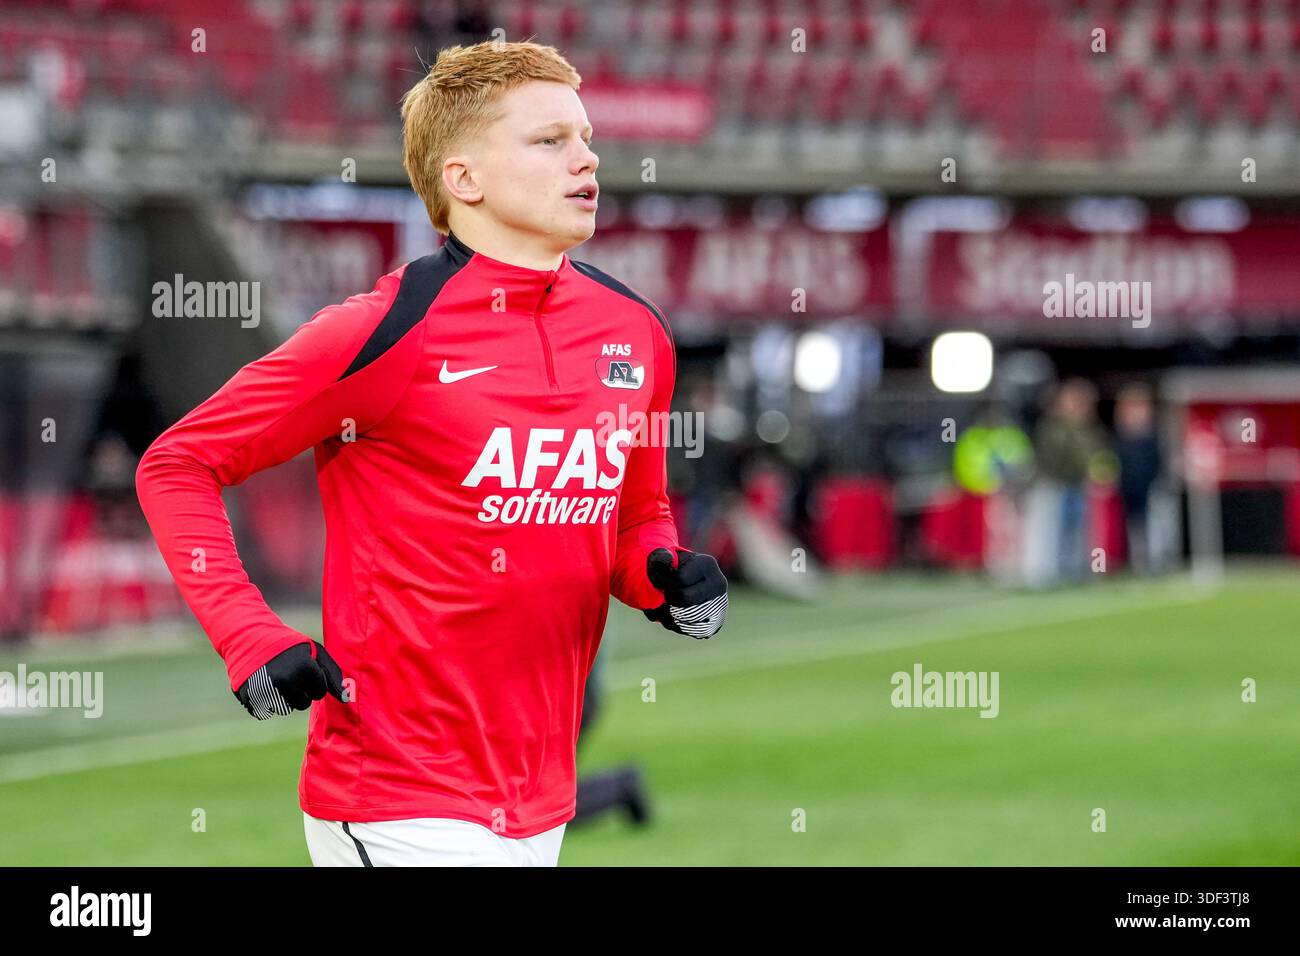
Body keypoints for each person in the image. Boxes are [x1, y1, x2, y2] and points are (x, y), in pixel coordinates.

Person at [135, 41, 728, 867]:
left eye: (585, 136)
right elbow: (177, 465)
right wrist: (249, 638)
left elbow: (637, 518)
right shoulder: (383, 331)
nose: (587, 157)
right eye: (549, 140)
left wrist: (667, 578)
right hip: (396, 796)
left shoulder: (638, 332)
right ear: (464, 179)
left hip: (539, 798)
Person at [1113, 383, 1164, 574]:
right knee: (1131, 527)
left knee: (1154, 526)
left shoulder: (1153, 434)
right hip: (1127, 487)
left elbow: (1159, 461)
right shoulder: (1119, 435)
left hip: (1150, 486)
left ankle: (1156, 561)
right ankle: (1136, 563)